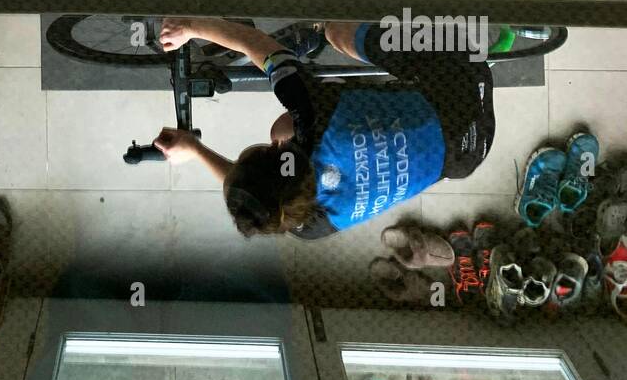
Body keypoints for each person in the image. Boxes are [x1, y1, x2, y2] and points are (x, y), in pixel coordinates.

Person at [153, 16, 495, 239]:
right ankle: (324, 36)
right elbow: (252, 42)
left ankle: (343, 87)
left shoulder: (308, 223)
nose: (273, 145)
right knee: (338, 31)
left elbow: (262, 198)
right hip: (459, 72)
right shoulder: (314, 115)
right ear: (277, 155)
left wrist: (196, 150)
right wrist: (191, 27)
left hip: (467, 154)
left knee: (282, 128)